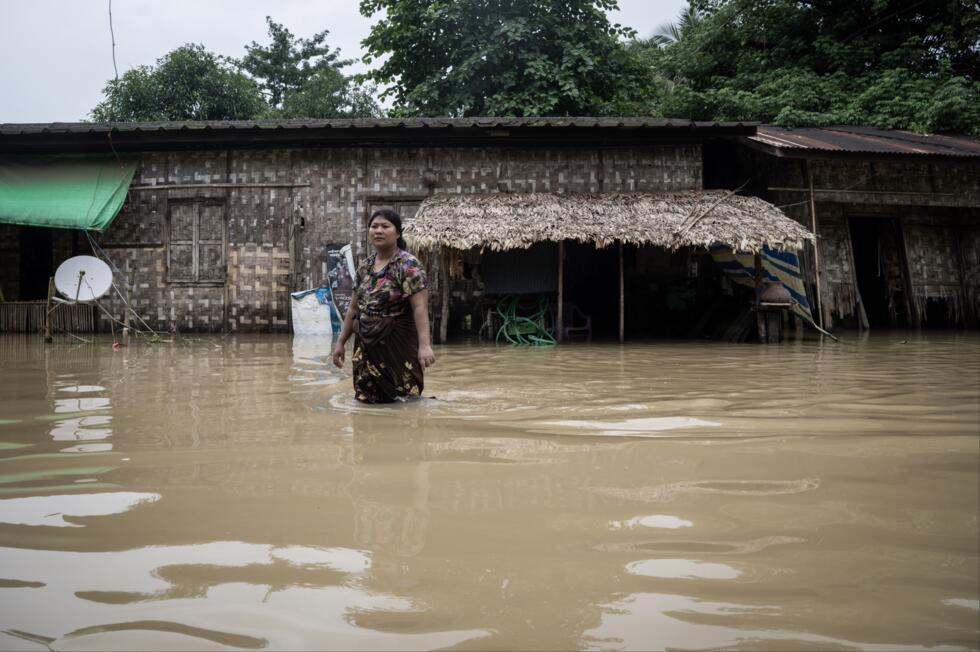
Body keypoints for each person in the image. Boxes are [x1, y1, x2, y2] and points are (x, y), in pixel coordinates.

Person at [332, 209, 435, 403]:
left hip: (397, 344)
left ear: (397, 233)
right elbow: (354, 309)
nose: (378, 230)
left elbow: (419, 308)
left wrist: (425, 346)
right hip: (366, 345)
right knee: (366, 399)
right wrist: (340, 343)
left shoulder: (408, 266)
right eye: (374, 226)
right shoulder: (365, 267)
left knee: (403, 399)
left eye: (385, 226)